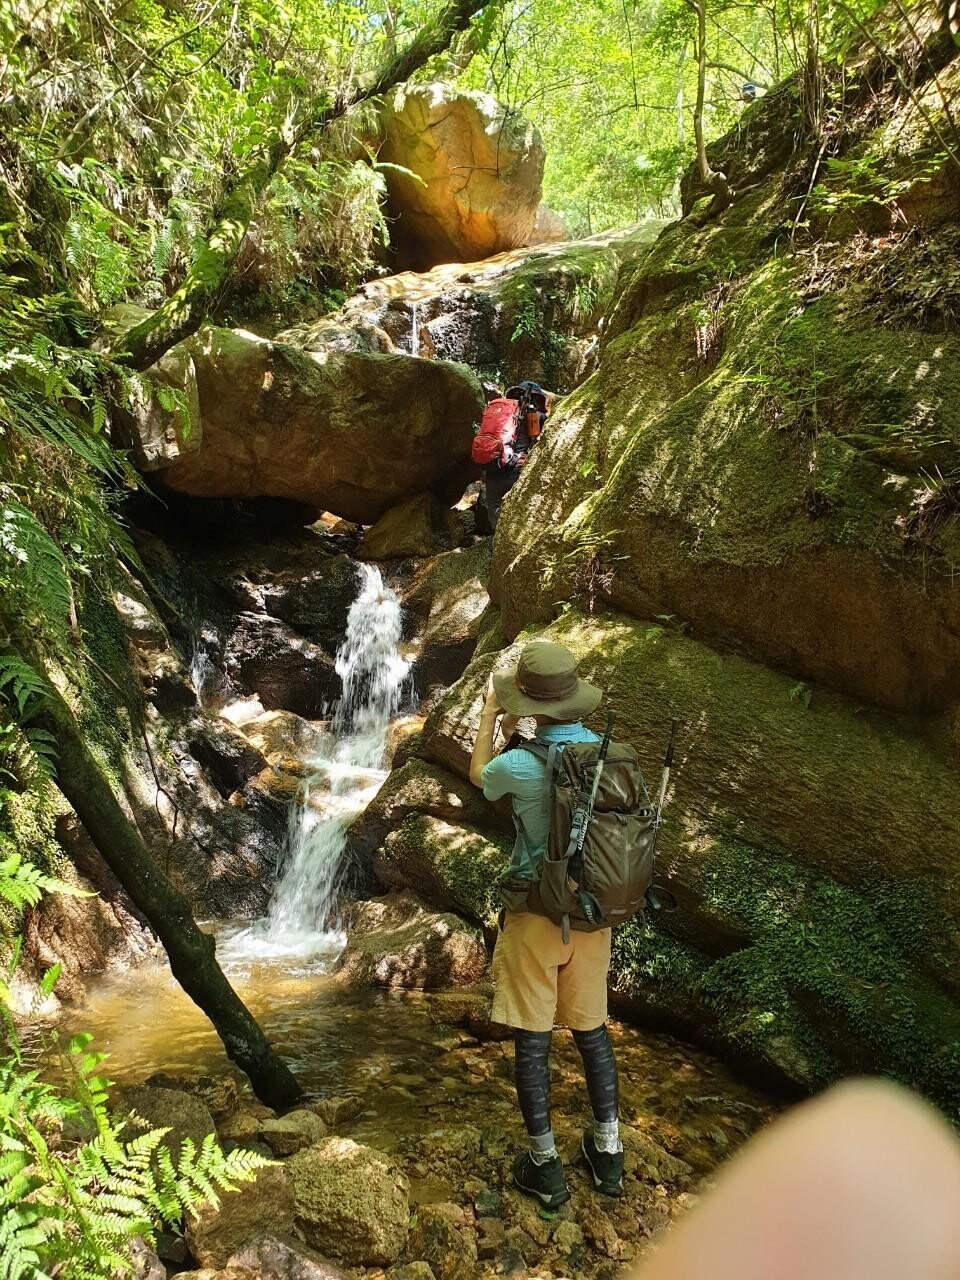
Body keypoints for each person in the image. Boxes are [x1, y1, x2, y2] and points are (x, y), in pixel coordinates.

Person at [469, 640, 622, 1208]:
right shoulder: (608, 756)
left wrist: (492, 719)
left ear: (532, 704)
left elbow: (478, 774)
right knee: (592, 1034)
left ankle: (545, 1165)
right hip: (593, 915)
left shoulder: (518, 763)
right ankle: (608, 1154)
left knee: (533, 1041)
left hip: (535, 914)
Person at [483, 381, 549, 532]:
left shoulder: (498, 415)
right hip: (517, 469)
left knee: (495, 511)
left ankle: (496, 540)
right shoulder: (538, 417)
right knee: (518, 519)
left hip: (494, 468)